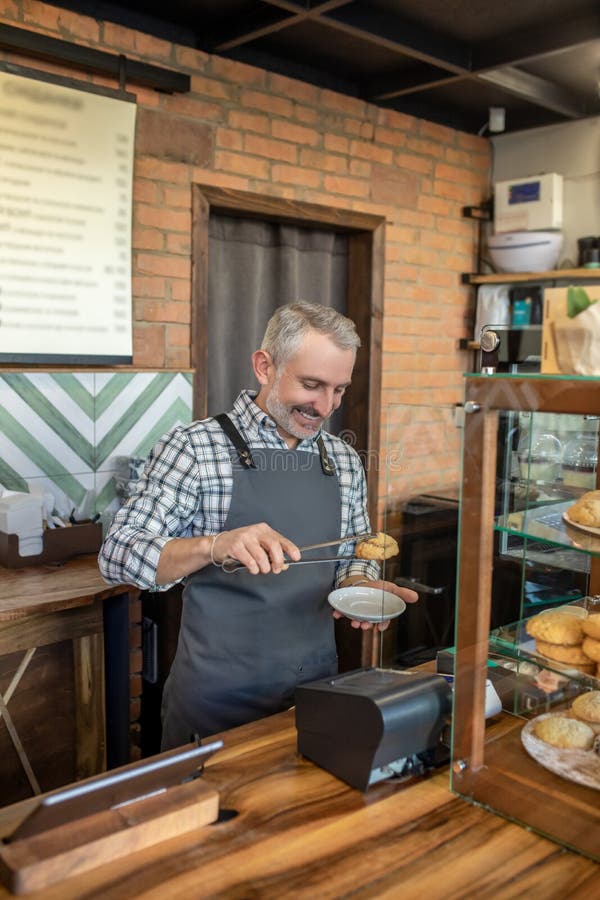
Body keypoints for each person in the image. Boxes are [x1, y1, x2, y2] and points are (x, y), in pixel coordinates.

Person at [99, 301, 417, 749]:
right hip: (214, 706)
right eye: (312, 385)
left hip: (314, 697)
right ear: (265, 366)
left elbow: (350, 558)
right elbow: (117, 556)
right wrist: (214, 545)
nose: (326, 406)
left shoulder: (344, 460)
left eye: (339, 390)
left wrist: (364, 585)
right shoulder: (195, 448)